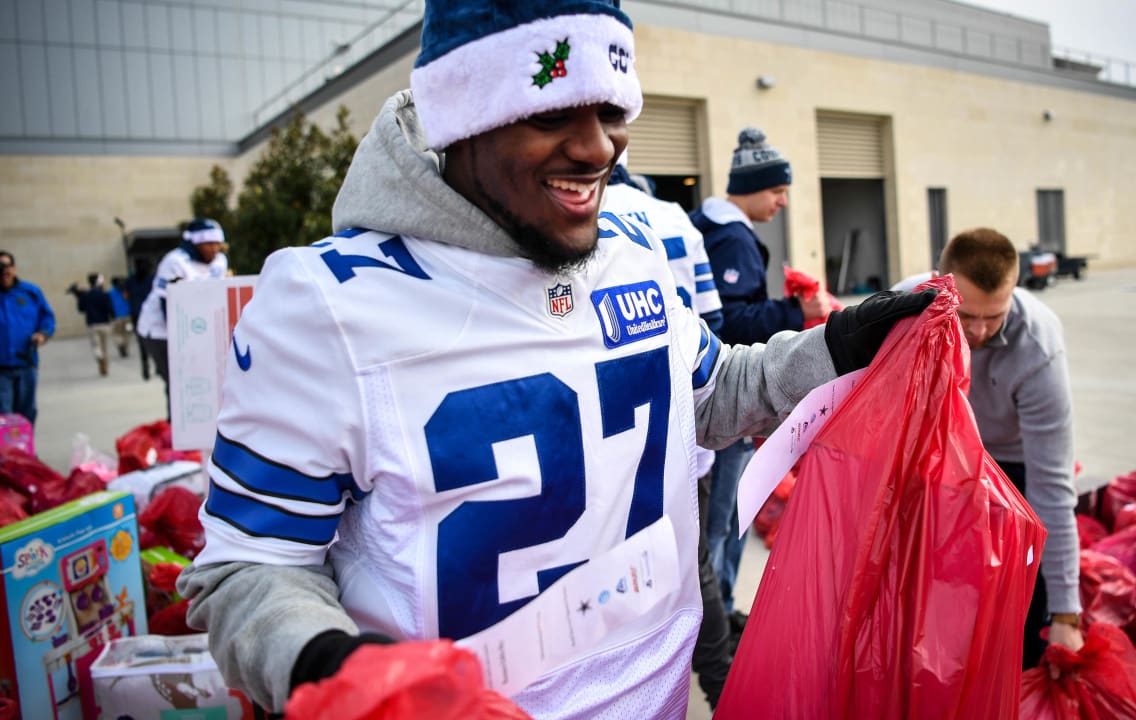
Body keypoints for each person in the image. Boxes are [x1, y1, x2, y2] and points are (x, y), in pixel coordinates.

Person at [177, 1, 935, 715]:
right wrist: (334, 664)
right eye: (551, 113)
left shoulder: (631, 254)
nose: (598, 147)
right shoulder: (326, 304)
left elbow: (708, 394)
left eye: (611, 111)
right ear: (460, 116)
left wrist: (836, 346)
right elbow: (249, 568)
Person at [893, 228, 1083, 669]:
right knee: (919, 584)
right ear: (939, 283)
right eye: (965, 315)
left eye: (994, 317)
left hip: (1009, 463)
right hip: (934, 454)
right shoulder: (901, 307)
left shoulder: (1037, 344)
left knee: (1021, 592)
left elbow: (1052, 487)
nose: (978, 331)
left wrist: (1066, 614)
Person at [689, 127, 831, 634]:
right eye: (777, 191)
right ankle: (719, 622)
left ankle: (717, 614)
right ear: (749, 188)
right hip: (722, 392)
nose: (783, 202)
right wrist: (796, 311)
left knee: (718, 518)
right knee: (725, 519)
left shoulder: (705, 226)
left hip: (703, 389)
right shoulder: (730, 238)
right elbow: (730, 321)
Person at [604, 158, 731, 708]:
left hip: (606, 446)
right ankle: (721, 683)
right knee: (694, 567)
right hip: (681, 432)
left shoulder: (553, 220)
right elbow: (713, 324)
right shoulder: (673, 217)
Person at [135, 220, 229, 413]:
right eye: (209, 244)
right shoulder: (175, 262)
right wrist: (184, 342)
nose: (215, 248)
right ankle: (176, 425)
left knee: (202, 379)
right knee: (177, 382)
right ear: (195, 243)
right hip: (160, 331)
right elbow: (167, 304)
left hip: (195, 327)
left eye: (217, 243)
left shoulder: (220, 261)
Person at [0, 251, 55, 425]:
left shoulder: (30, 292)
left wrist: (43, 334)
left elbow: (47, 317)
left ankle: (25, 443)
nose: (4, 271)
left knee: (26, 413)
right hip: (1, 368)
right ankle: (8, 444)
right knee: (4, 414)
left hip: (26, 363)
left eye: (7, 266)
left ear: (14, 268)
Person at [69, 272, 115, 376]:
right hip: (105, 323)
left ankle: (100, 358)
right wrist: (113, 317)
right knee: (104, 347)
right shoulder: (105, 294)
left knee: (96, 346)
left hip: (92, 324)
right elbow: (110, 309)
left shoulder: (85, 295)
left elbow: (81, 309)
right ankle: (105, 367)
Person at [125, 258, 155, 379]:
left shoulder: (130, 280)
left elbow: (126, 295)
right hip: (151, 313)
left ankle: (145, 366)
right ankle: (157, 365)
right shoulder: (152, 279)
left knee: (142, 342)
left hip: (136, 313)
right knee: (156, 340)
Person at [108, 277, 132, 359]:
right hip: (127, 316)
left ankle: (120, 344)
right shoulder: (125, 291)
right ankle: (126, 348)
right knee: (127, 333)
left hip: (116, 317)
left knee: (116, 333)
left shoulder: (110, 293)